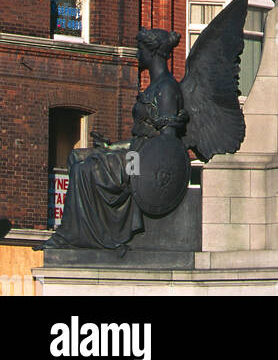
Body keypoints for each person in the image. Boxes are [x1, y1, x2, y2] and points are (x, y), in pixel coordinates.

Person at [47, 29, 187, 252]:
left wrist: (126, 155)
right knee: (76, 156)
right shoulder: (153, 87)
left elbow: (167, 144)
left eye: (140, 49)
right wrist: (113, 147)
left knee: (87, 170)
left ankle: (91, 238)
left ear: (152, 52)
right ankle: (73, 232)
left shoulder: (167, 89)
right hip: (136, 152)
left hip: (143, 162)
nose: (138, 54)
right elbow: (140, 136)